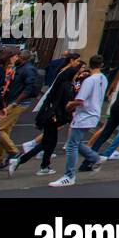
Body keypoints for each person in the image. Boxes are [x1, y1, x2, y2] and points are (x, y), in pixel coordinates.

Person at [8, 53, 82, 177]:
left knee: (49, 142)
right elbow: (65, 103)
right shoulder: (66, 86)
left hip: (51, 115)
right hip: (53, 116)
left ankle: (42, 165)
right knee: (49, 141)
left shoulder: (62, 82)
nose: (78, 75)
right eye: (77, 73)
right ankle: (23, 161)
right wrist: (77, 104)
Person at [48, 55, 108, 187]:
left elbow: (80, 100)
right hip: (94, 114)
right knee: (75, 142)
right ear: (101, 65)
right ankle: (95, 158)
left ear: (89, 65)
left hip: (84, 115)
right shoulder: (103, 79)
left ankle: (69, 176)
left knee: (71, 146)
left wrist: (69, 105)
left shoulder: (89, 80)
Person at [0, 49, 40, 168]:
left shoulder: (28, 69)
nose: (16, 58)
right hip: (8, 102)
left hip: (16, 104)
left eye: (18, 56)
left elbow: (29, 88)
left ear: (23, 58)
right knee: (4, 131)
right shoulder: (17, 67)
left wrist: (15, 102)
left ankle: (14, 152)